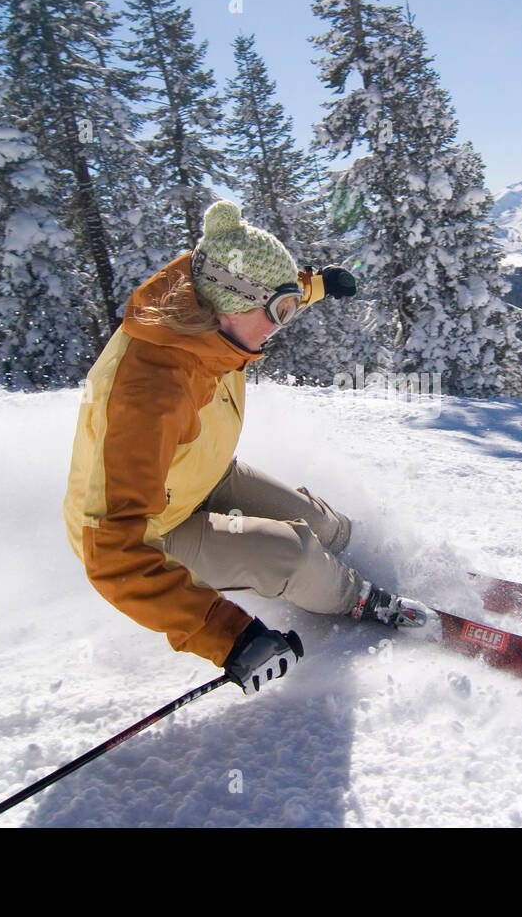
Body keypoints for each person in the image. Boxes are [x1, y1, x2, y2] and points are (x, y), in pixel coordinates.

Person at [63, 200, 425, 696]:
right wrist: (229, 638)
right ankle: (355, 597)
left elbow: (265, 286)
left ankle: (346, 554)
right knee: (296, 554)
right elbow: (112, 552)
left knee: (320, 523)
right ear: (232, 303)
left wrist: (315, 285)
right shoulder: (149, 389)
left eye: (290, 307)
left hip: (200, 476)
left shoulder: (214, 311)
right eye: (278, 311)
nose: (283, 323)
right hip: (148, 531)